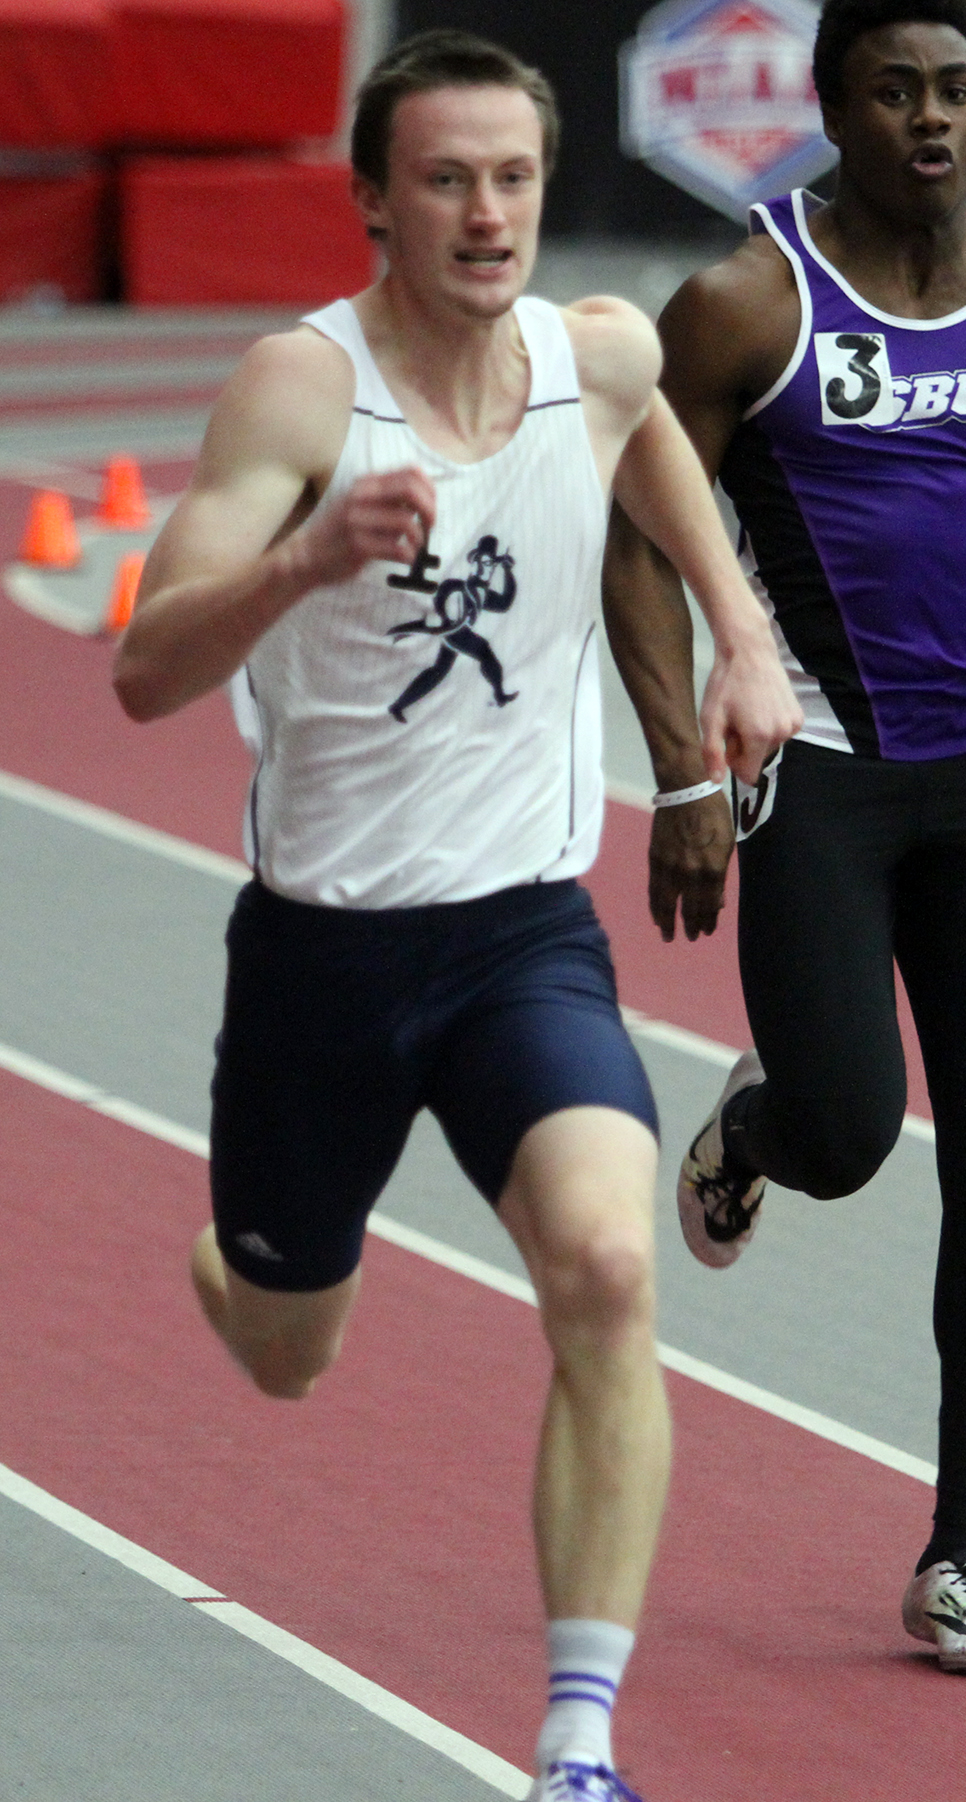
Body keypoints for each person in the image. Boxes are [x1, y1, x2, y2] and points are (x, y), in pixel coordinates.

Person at [112, 29, 801, 1799]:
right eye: (444, 179)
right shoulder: (296, 393)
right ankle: (244, 1261)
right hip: (326, 957)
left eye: (512, 177)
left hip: (517, 935)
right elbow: (141, 671)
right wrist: (307, 559)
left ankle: (578, 1742)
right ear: (372, 202)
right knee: (286, 1349)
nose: (487, 213)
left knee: (610, 1262)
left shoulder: (599, 351)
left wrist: (738, 627)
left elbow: (647, 443)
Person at [603, 0, 966, 1678]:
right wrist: (681, 766)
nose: (933, 119)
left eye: (957, 88)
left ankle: (959, 1552)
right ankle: (755, 1128)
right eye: (896, 91)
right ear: (831, 109)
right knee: (847, 1121)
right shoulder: (748, 301)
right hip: (816, 770)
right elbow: (637, 533)